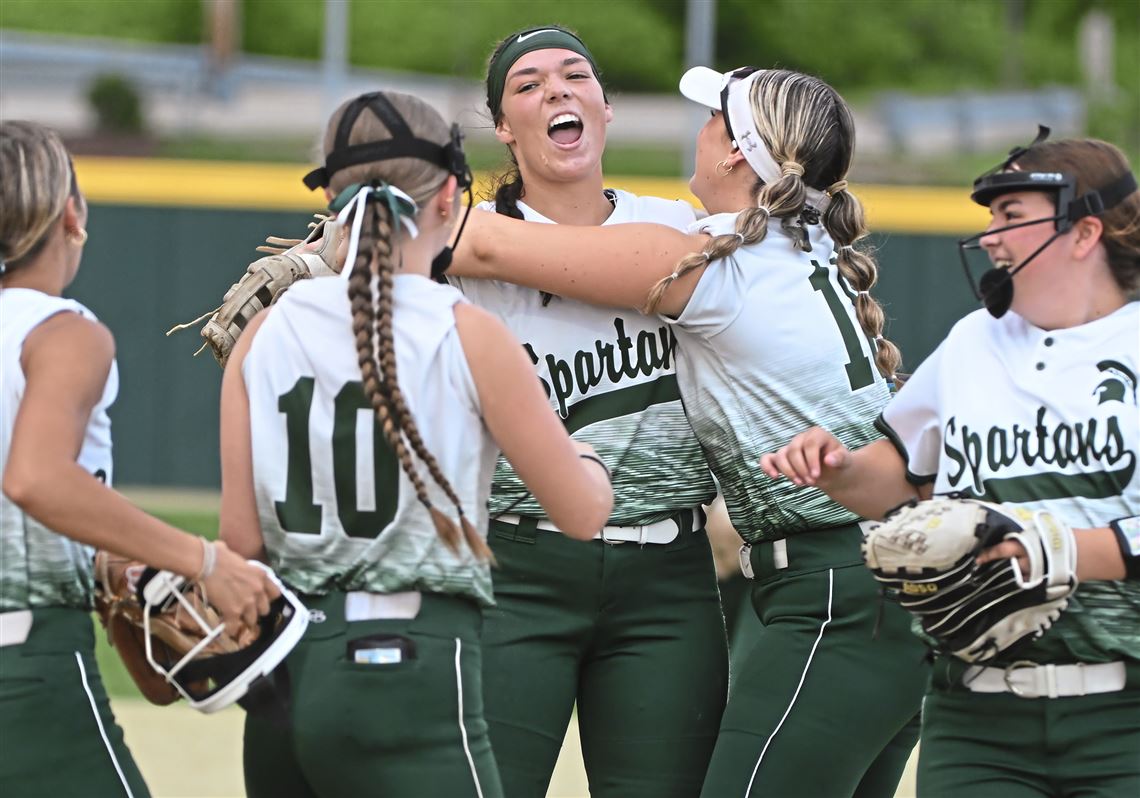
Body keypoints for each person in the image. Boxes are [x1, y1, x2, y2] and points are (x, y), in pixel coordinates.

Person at [451, 65, 929, 797]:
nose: (699, 131)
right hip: (877, 586)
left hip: (838, 595)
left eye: (713, 119)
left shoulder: (719, 260)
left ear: (737, 151)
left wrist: (360, 223)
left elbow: (480, 246)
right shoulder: (803, 243)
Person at [217, 90, 613, 798]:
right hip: (412, 664)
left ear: (332, 200)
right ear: (450, 197)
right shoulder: (466, 332)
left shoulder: (264, 330)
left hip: (287, 667)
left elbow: (240, 540)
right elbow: (583, 514)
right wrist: (586, 459)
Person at [761, 133, 1140, 797]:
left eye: (1012, 217)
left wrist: (1066, 551)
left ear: (1084, 233)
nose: (991, 236)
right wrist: (837, 471)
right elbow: (904, 478)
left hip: (1123, 716)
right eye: (990, 218)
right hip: (976, 721)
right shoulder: (973, 342)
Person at [447, 26, 726, 798]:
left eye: (575, 76)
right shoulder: (460, 247)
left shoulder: (674, 224)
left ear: (605, 107)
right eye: (528, 85)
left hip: (667, 576)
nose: (557, 91)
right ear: (504, 127)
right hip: (516, 567)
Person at [0, 120, 278, 797]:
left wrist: (104, 557)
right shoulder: (62, 332)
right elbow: (35, 477)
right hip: (22, 661)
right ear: (72, 212)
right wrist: (202, 560)